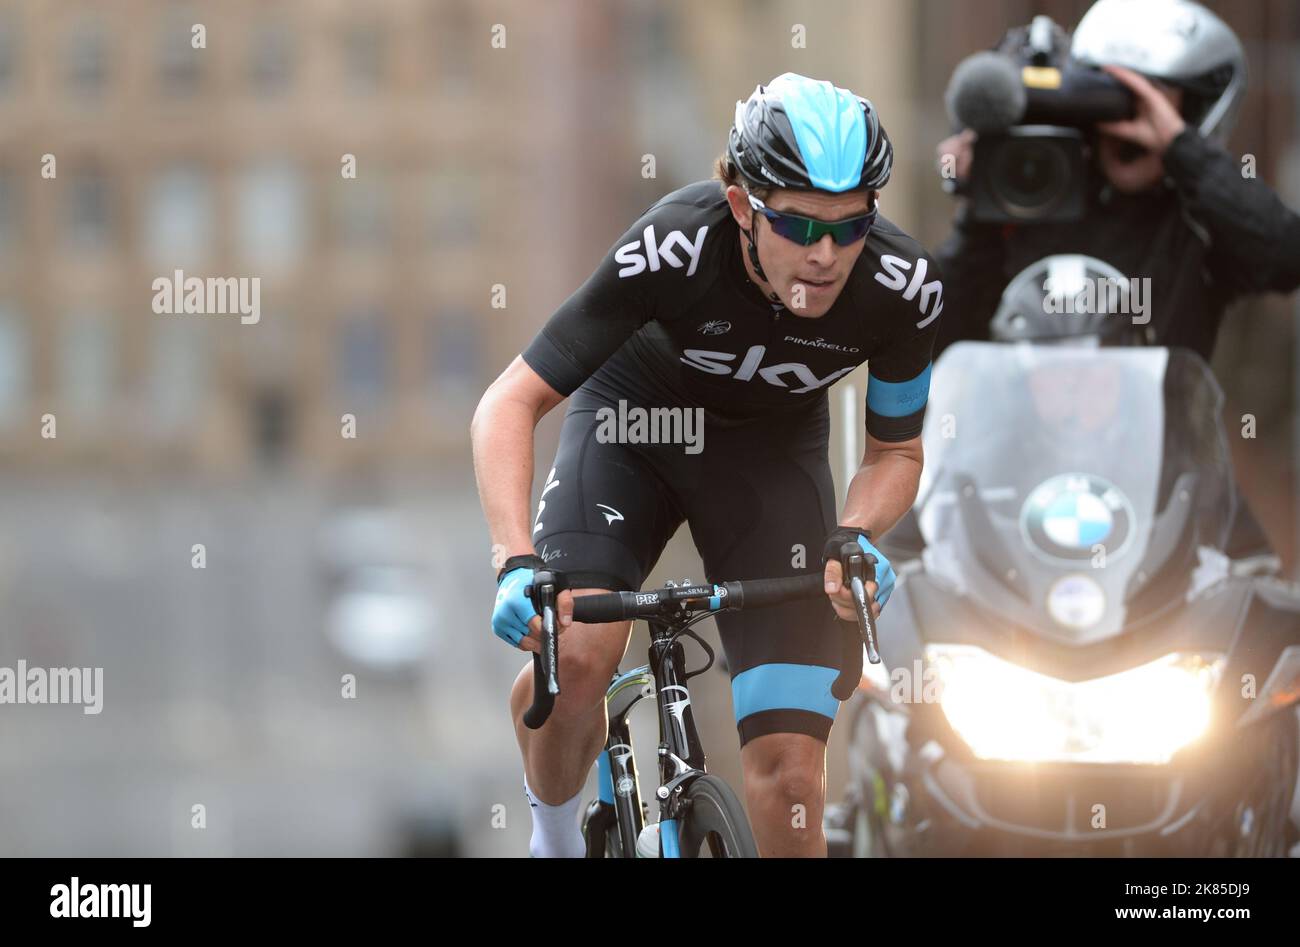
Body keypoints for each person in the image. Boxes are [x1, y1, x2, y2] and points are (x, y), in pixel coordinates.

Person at [470, 72, 944, 857]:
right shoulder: (674, 246)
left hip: (768, 458)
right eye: (796, 226)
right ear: (740, 207)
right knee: (581, 654)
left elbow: (896, 449)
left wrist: (857, 532)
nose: (826, 257)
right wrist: (513, 559)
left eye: (850, 227)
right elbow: (508, 403)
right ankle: (552, 840)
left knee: (793, 776)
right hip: (634, 428)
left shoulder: (903, 287)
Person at [933, 0, 1300, 361]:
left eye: (1146, 103)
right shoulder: (1045, 191)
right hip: (1029, 418)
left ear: (1192, 112)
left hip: (1160, 420)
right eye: (1110, 100)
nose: (1126, 130)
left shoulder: (1197, 225)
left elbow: (1285, 255)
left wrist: (1182, 148)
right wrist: (988, 192)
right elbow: (939, 333)